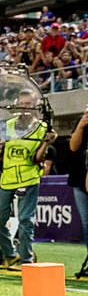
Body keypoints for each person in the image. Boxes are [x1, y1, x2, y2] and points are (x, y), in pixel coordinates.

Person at [0, 100, 55, 271]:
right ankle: (10, 255)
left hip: (28, 178)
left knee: (25, 219)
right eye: (21, 104)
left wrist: (46, 143)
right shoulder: (8, 125)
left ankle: (26, 260)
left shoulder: (43, 127)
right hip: (7, 178)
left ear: (35, 106)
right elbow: (0, 154)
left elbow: (37, 158)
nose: (24, 107)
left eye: (28, 103)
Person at [67, 109, 88, 277]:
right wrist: (81, 125)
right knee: (87, 224)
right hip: (80, 179)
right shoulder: (82, 121)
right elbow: (73, 146)